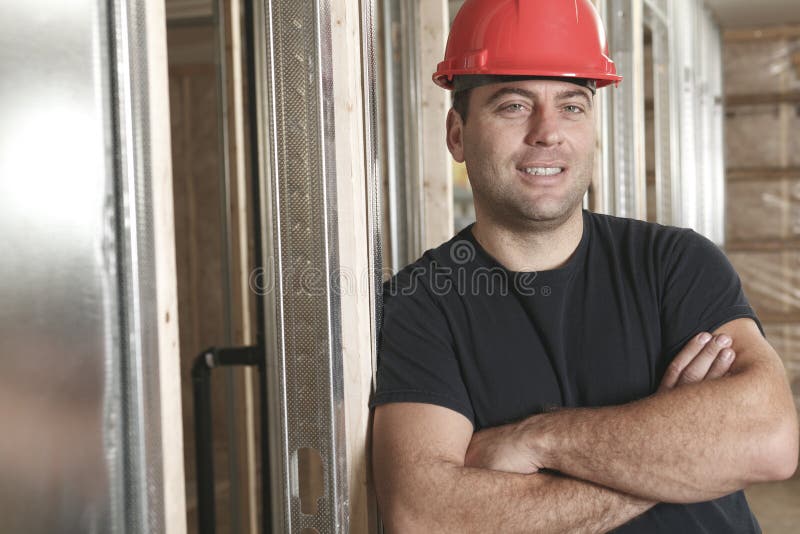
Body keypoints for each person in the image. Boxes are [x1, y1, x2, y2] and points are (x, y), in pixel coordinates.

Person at [369, 0, 799, 532]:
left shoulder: (675, 264)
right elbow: (425, 516)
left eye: (572, 106)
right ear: (457, 133)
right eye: (513, 105)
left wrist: (537, 440)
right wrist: (676, 454)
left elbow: (771, 441)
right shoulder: (420, 304)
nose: (548, 132)